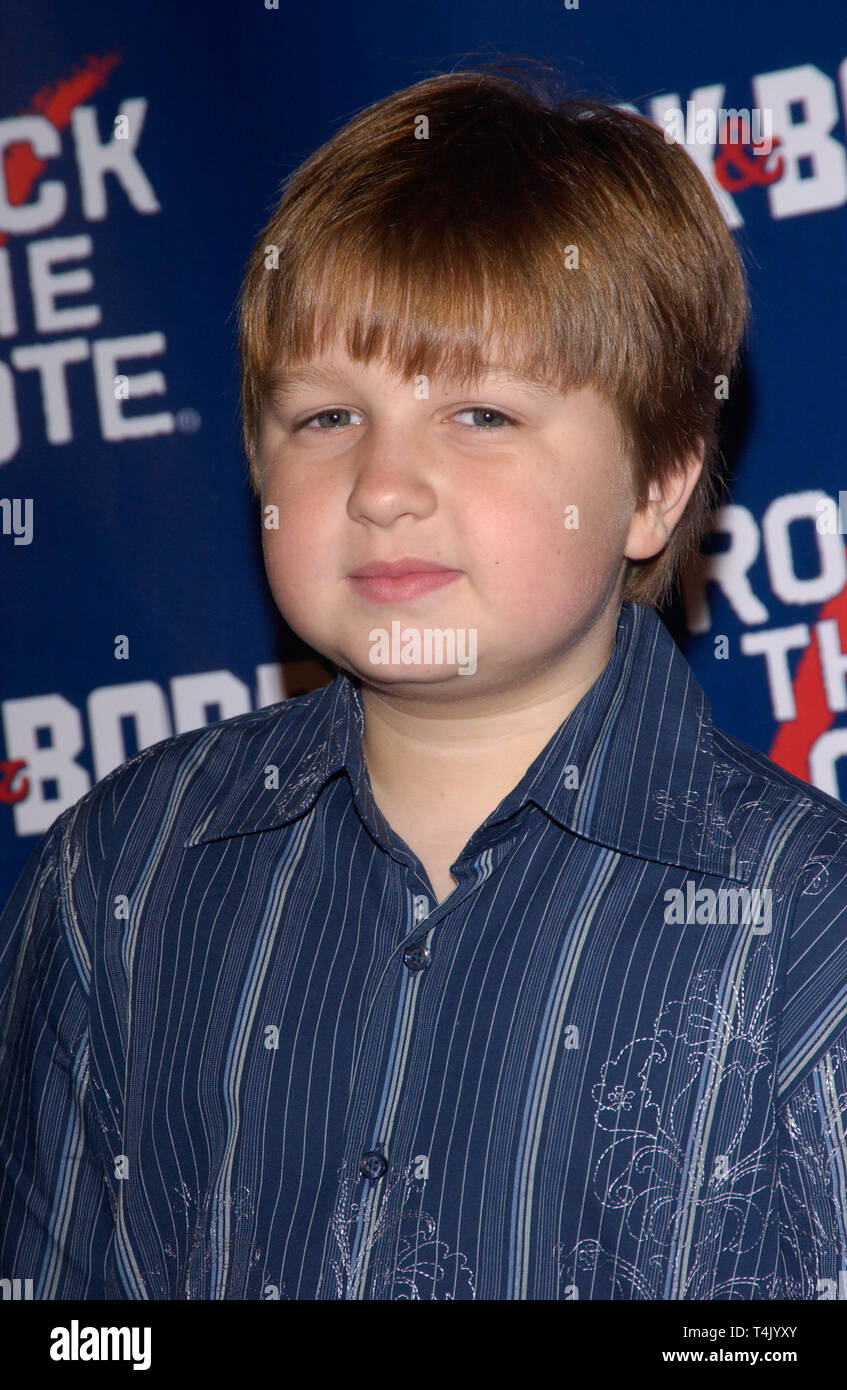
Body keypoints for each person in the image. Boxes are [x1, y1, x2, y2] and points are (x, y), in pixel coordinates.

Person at [2, 63, 847, 1301]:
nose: (383, 485)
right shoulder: (119, 871)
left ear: (658, 483)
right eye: (328, 418)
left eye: (483, 417)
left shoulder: (805, 930)